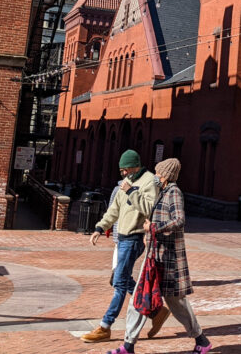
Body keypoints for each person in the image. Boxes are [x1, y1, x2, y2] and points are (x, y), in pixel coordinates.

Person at [108, 158, 211, 354]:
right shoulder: (162, 192)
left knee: (177, 302)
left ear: (165, 176)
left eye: (157, 173)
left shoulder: (174, 193)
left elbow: (179, 220)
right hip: (155, 256)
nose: (155, 176)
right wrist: (150, 232)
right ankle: (128, 345)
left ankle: (201, 340)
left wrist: (153, 228)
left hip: (168, 260)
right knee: (139, 296)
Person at [81, 149, 162, 344]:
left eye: (125, 170)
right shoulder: (126, 184)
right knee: (122, 280)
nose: (123, 174)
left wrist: (131, 191)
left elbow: (149, 208)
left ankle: (105, 327)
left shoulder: (149, 181)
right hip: (122, 239)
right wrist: (100, 228)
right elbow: (114, 209)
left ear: (135, 166)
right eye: (121, 171)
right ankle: (157, 312)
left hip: (135, 238)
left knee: (118, 283)